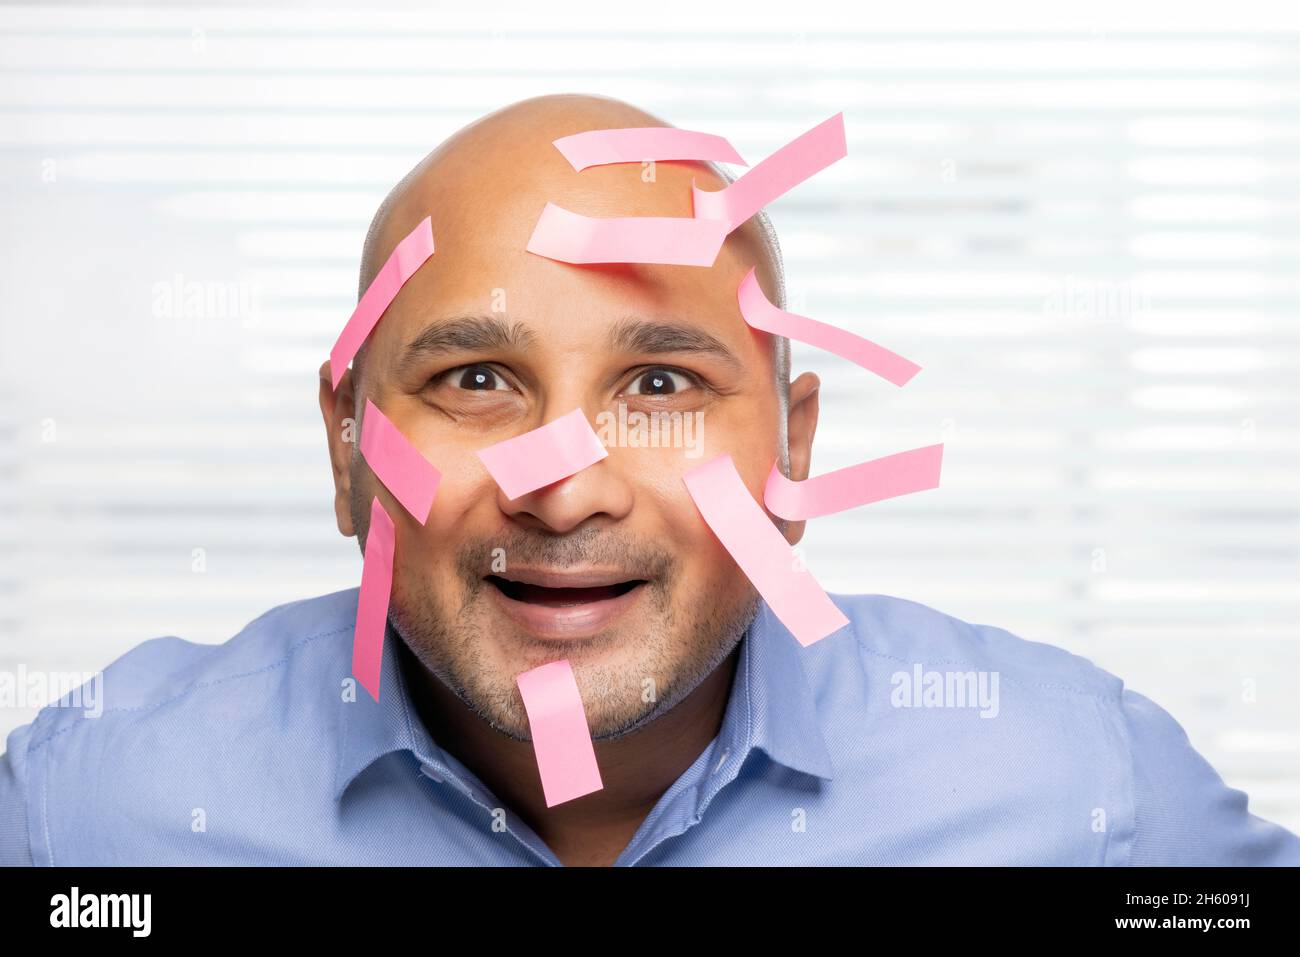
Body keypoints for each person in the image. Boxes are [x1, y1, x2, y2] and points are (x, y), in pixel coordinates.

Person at [2, 94, 1297, 866]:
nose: (566, 491)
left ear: (792, 451)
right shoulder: (89, 810)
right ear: (347, 449)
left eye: (663, 387)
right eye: (476, 380)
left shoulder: (1086, 792)